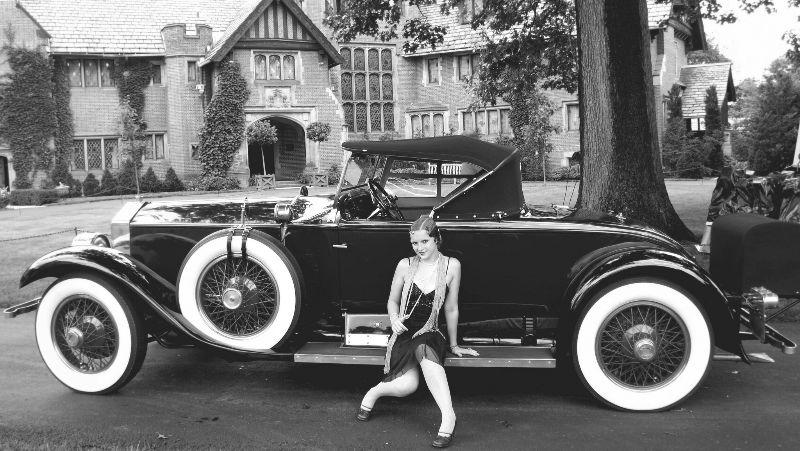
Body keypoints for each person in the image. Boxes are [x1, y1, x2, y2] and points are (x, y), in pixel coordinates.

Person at [356, 216, 479, 448]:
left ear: (437, 240)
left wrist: (454, 345)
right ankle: (373, 393)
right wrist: (394, 320)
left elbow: (451, 308)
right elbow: (392, 301)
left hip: (430, 332)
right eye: (415, 243)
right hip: (403, 335)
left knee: (424, 346)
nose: (420, 248)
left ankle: (448, 417)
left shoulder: (452, 265)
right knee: (407, 387)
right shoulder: (405, 265)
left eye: (425, 242)